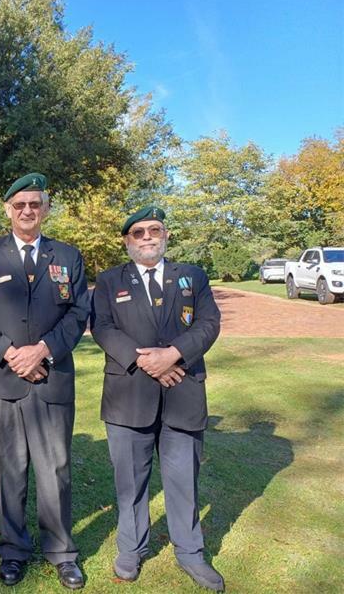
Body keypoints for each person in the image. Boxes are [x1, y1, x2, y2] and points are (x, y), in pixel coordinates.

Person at [0, 173, 91, 590]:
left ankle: (61, 552)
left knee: (55, 469)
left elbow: (78, 314)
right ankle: (14, 550)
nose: (27, 211)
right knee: (8, 470)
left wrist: (43, 351)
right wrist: (13, 355)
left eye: (35, 204)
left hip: (52, 377)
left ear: (45, 208)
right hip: (3, 382)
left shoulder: (68, 256)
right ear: (7, 210)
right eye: (19, 205)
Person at [90, 205, 224, 591]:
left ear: (165, 235)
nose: (147, 236)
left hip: (183, 392)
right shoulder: (109, 279)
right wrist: (148, 361)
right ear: (127, 241)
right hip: (129, 395)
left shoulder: (193, 277)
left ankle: (190, 552)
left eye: (154, 230)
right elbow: (101, 327)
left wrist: (173, 354)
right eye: (138, 232)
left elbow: (209, 324)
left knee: (183, 479)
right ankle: (131, 549)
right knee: (130, 481)